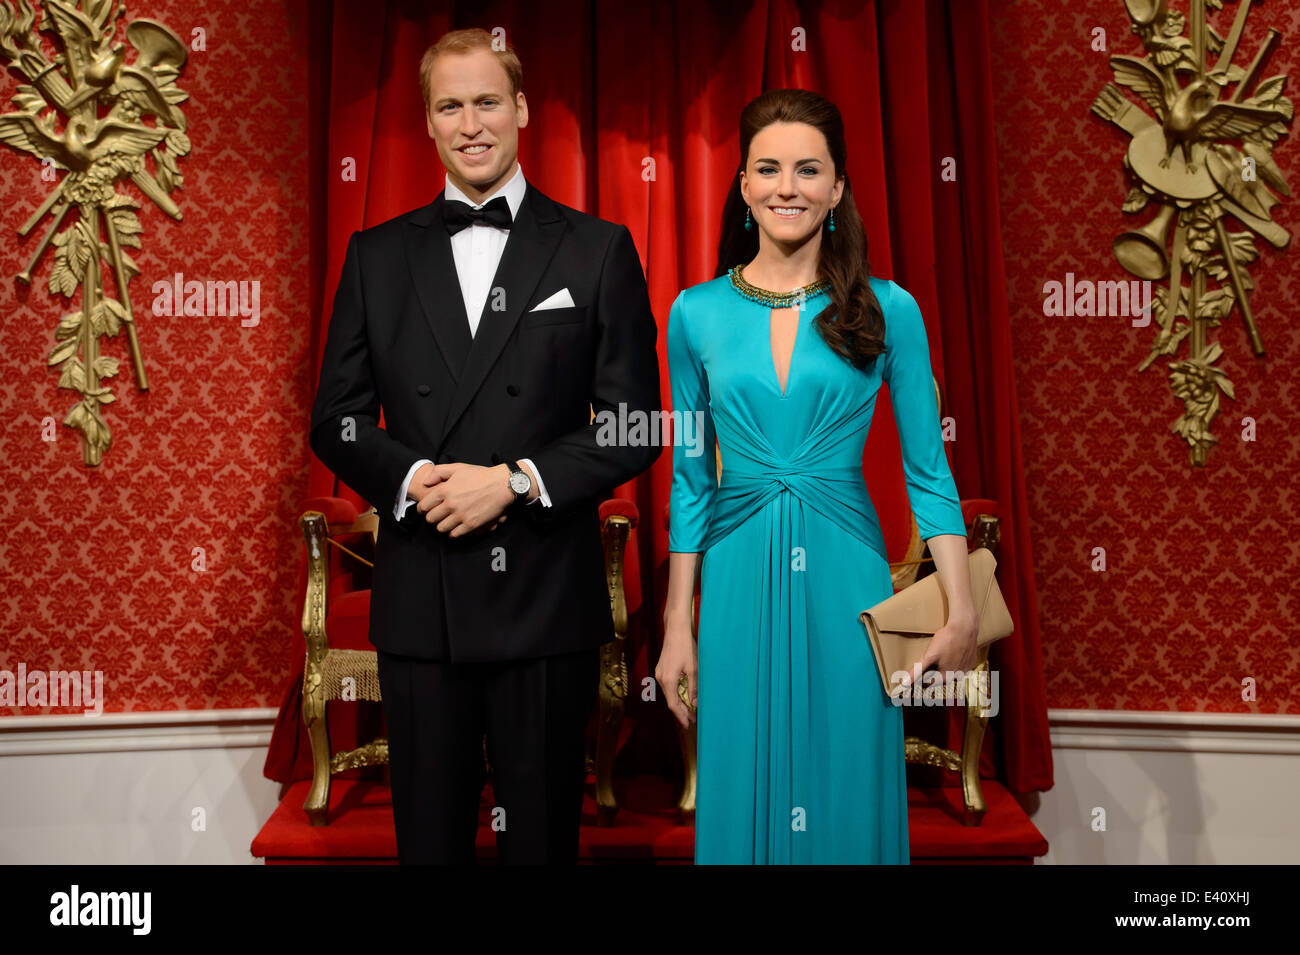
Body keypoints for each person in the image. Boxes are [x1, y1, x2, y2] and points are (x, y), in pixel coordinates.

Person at [310, 28, 661, 864]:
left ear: (523, 110)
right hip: (421, 597)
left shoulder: (596, 247)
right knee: (429, 842)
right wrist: (418, 479)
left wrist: (515, 480)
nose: (472, 124)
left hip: (545, 596)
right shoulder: (375, 255)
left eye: (488, 102)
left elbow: (634, 422)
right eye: (450, 106)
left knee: (539, 842)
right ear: (428, 124)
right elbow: (338, 419)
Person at [656, 88, 979, 864]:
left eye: (808, 170)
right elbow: (691, 482)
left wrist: (962, 606)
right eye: (767, 169)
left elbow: (928, 472)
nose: (786, 187)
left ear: (837, 189)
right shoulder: (694, 312)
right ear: (742, 185)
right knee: (743, 776)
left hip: (847, 577)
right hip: (734, 580)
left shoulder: (887, 307)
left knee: (846, 775)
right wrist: (675, 626)